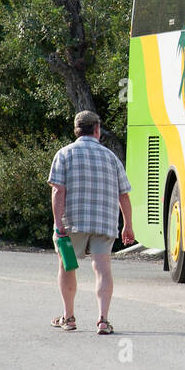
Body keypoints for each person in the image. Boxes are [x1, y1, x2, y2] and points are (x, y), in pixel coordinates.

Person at [48, 110, 135, 335]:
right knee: (102, 268)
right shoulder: (111, 157)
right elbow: (123, 195)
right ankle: (103, 320)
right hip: (104, 222)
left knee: (67, 266)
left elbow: (58, 191)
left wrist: (59, 224)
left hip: (72, 222)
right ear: (96, 130)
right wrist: (128, 225)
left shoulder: (64, 154)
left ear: (76, 130)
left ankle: (68, 318)